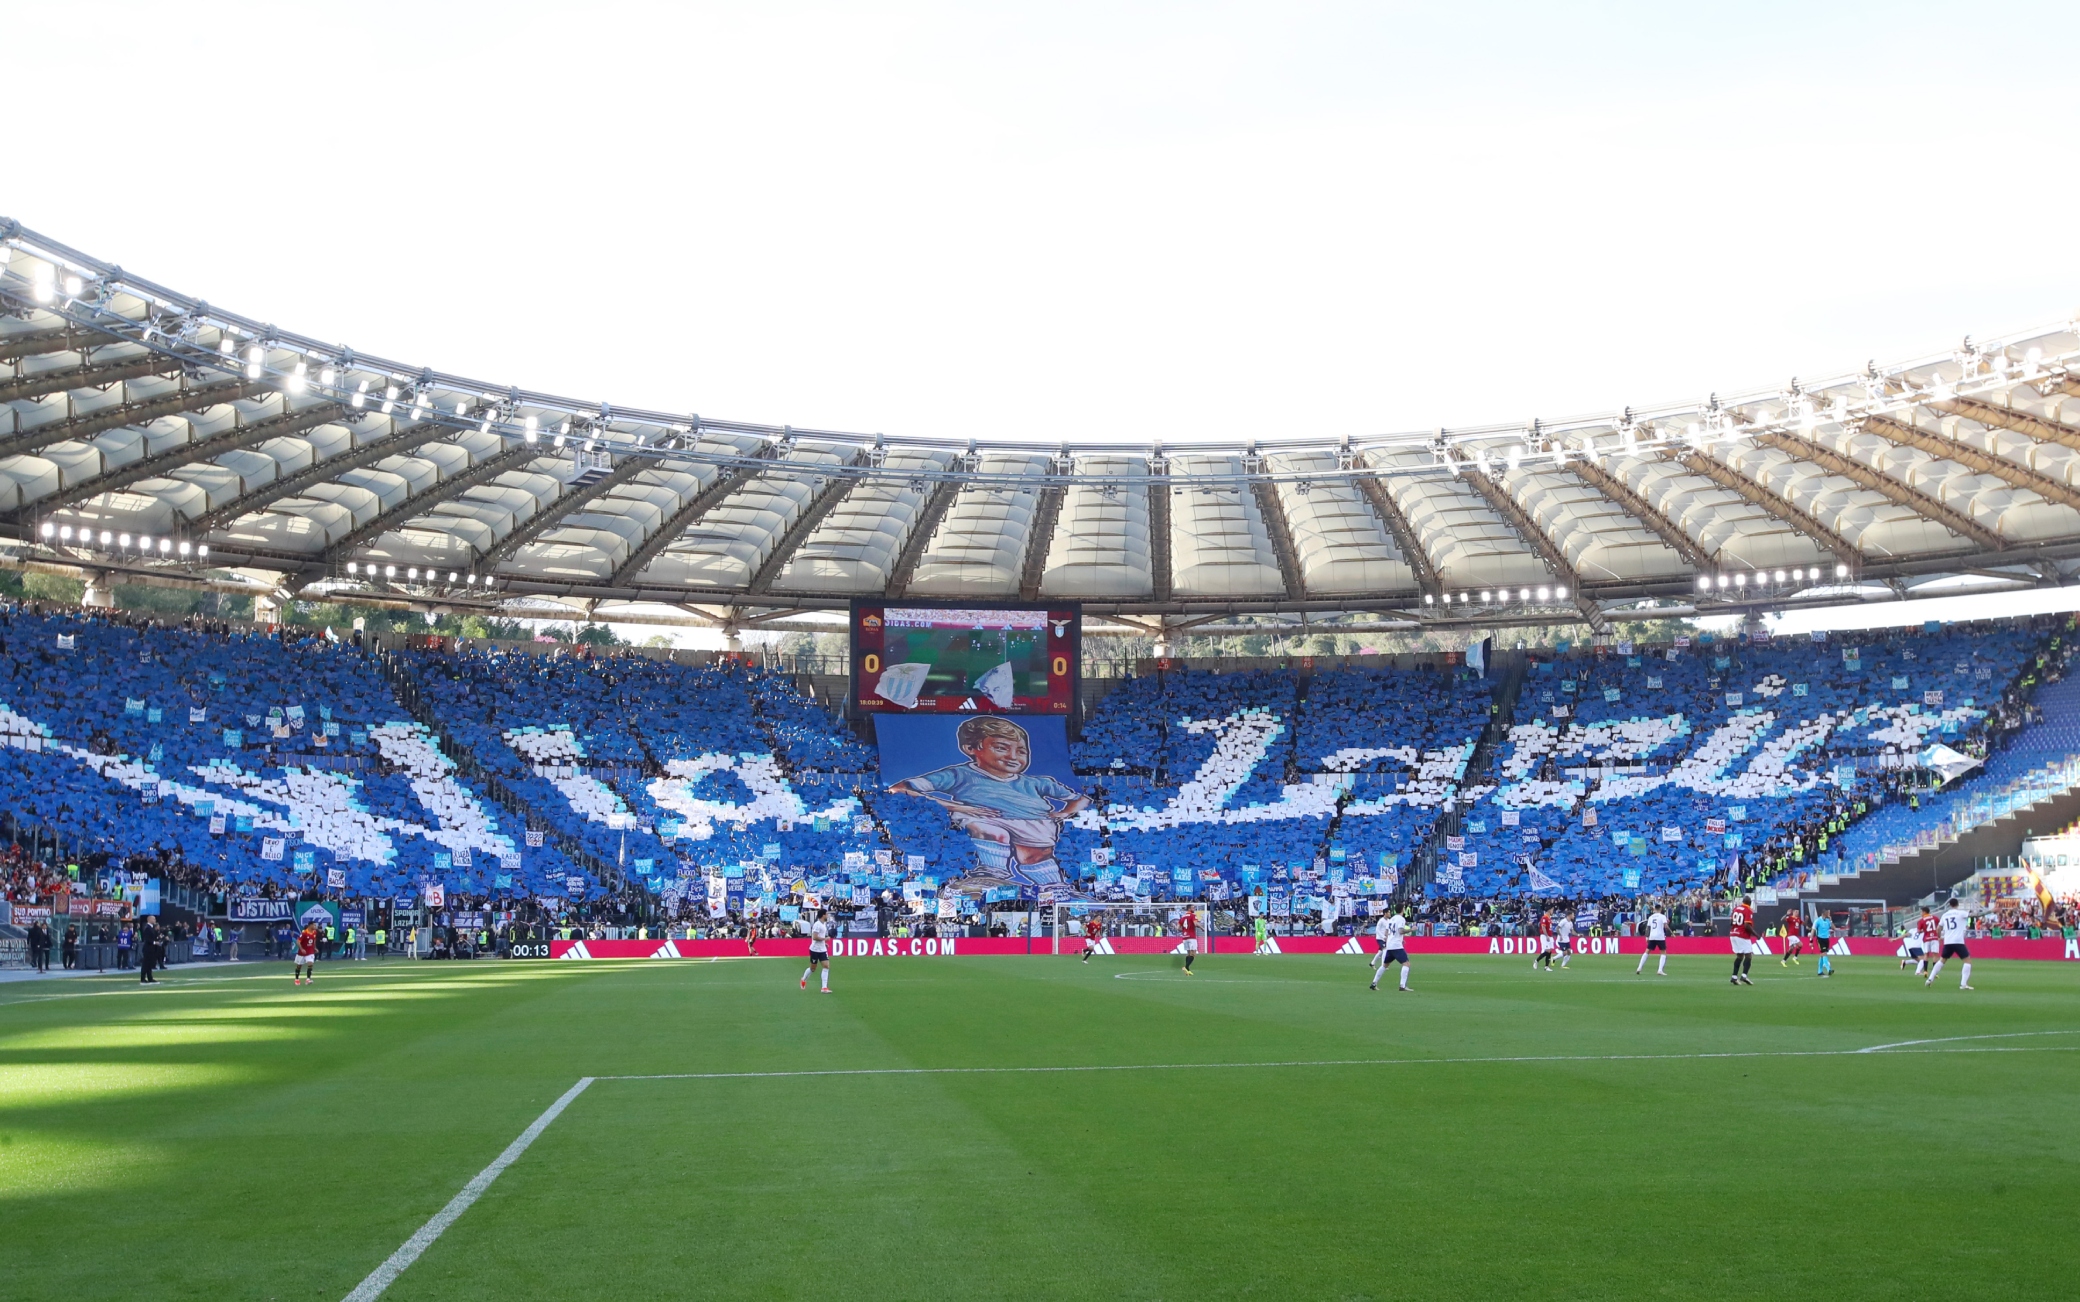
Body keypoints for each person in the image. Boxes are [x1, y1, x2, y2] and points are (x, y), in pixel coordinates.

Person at [1925, 896, 1974, 991]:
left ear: (1950, 905)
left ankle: (1930, 979)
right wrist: (1991, 911)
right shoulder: (1961, 913)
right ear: (1957, 904)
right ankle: (1963, 984)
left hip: (1948, 942)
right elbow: (1974, 915)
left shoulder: (1945, 915)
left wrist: (1939, 937)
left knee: (1942, 961)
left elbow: (1938, 928)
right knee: (1967, 961)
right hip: (1958, 941)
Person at [1371, 910, 1410, 992]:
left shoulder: (1391, 919)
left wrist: (1392, 939)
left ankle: (1374, 983)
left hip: (1390, 945)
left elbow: (1386, 932)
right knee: (1406, 964)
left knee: (1384, 965)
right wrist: (1411, 929)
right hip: (1397, 946)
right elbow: (1401, 931)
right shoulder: (1401, 919)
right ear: (1402, 910)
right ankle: (1402, 986)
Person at [1729, 895, 1757, 985]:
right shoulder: (1748, 910)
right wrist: (1756, 935)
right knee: (1748, 956)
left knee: (1740, 956)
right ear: (1750, 903)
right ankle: (1744, 976)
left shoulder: (1736, 909)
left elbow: (1731, 922)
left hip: (1733, 934)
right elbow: (1747, 926)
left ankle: (1734, 977)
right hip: (1742, 935)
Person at [801, 910, 832, 992]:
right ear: (823, 915)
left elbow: (819, 936)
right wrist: (824, 939)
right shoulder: (817, 925)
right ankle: (803, 979)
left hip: (822, 949)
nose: (828, 916)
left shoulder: (823, 924)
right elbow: (814, 937)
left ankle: (824, 987)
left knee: (826, 966)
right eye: (827, 914)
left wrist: (824, 943)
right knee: (813, 969)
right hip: (814, 950)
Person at [1635, 905, 1670, 976]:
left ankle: (1639, 967)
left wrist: (1647, 937)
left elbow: (1648, 928)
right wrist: (1667, 923)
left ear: (1654, 909)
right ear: (1660, 909)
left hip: (1652, 936)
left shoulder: (1651, 917)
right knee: (1663, 952)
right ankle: (1660, 970)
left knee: (1647, 951)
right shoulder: (1662, 916)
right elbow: (1665, 926)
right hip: (1660, 936)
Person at [138, 917, 162, 984]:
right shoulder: (147, 928)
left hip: (151, 949)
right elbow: (147, 939)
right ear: (149, 920)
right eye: (153, 919)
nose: (155, 920)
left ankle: (150, 977)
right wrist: (154, 942)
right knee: (145, 964)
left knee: (149, 964)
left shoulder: (151, 928)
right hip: (148, 949)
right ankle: (143, 978)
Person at [1812, 911, 1835, 978]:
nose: (1829, 914)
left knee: (1822, 955)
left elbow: (1834, 928)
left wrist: (1831, 920)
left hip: (1826, 939)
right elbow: (1813, 930)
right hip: (1820, 939)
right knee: (1824, 953)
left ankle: (1820, 971)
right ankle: (1829, 969)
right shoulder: (1818, 921)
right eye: (1828, 913)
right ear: (1823, 913)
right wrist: (1811, 941)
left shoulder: (1828, 921)